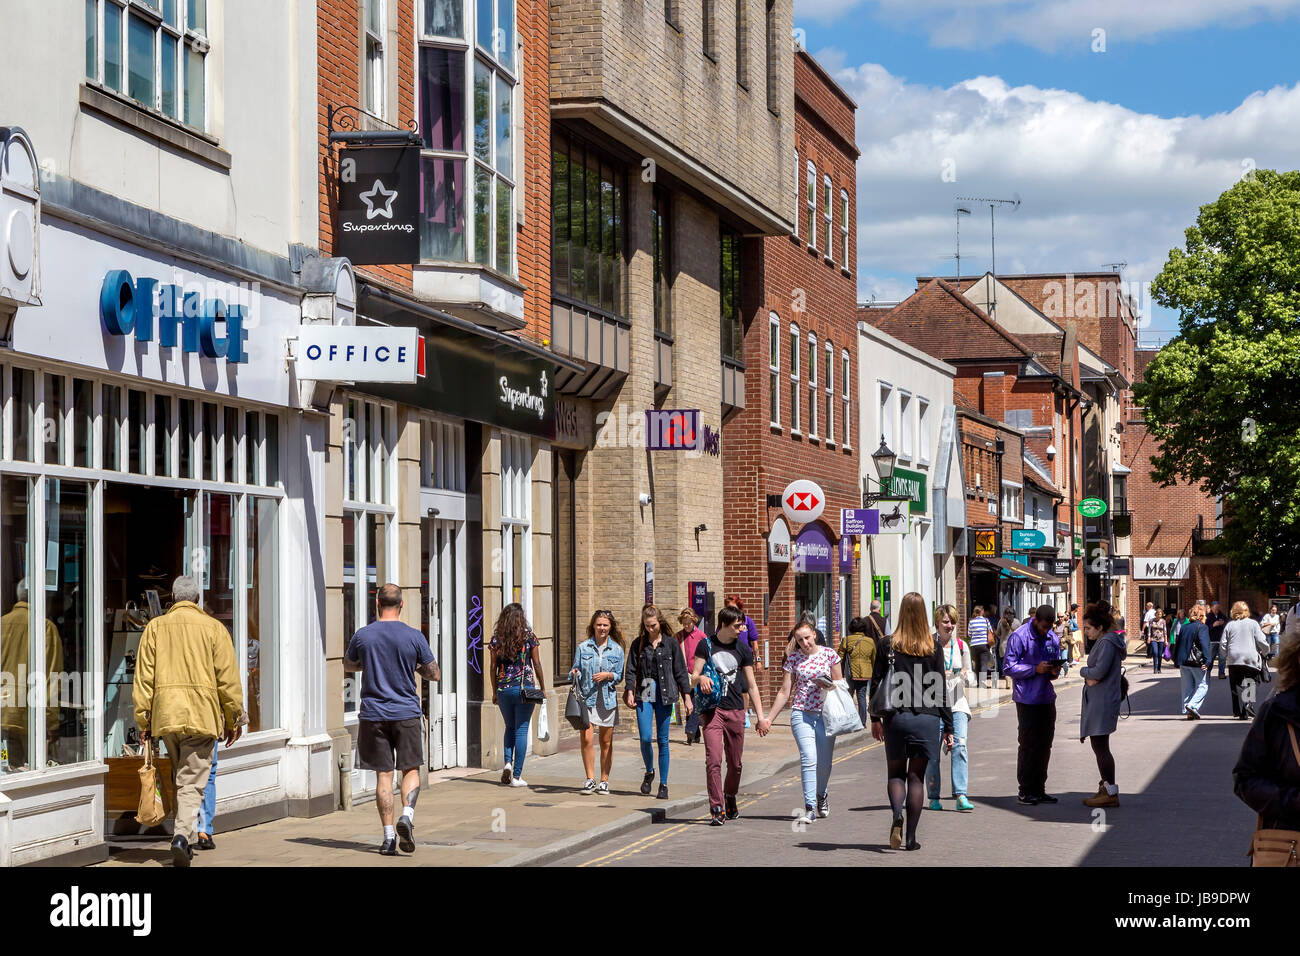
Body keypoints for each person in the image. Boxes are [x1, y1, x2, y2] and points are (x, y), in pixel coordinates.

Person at [133, 576, 246, 867]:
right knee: (191, 782)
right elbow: (228, 681)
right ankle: (182, 837)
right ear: (197, 599)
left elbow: (143, 679)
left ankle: (187, 838)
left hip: (166, 715)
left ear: (172, 596)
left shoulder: (154, 628)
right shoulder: (214, 629)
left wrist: (143, 720)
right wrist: (235, 718)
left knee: (180, 777)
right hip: (201, 715)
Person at [344, 584, 439, 856]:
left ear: (377, 604)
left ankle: (387, 839)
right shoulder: (413, 636)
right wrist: (414, 667)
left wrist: (369, 663)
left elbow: (349, 665)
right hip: (406, 713)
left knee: (383, 776)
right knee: (410, 769)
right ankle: (407, 816)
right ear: (401, 605)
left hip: (373, 715)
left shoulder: (363, 636)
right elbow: (434, 673)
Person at [870, 592, 954, 850]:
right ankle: (911, 838)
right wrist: (949, 727)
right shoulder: (934, 647)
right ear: (924, 616)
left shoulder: (887, 645)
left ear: (901, 613)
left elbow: (876, 683)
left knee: (896, 774)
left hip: (896, 718)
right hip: (927, 719)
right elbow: (940, 688)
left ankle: (897, 813)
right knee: (916, 778)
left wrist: (875, 719)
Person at [691, 605, 767, 826]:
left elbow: (752, 686)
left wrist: (761, 717)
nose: (741, 629)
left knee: (735, 764)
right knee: (713, 760)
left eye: (742, 625)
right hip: (713, 710)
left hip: (736, 710)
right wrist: (701, 679)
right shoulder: (705, 645)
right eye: (737, 625)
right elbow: (693, 677)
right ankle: (716, 807)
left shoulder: (743, 649)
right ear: (724, 624)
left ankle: (730, 795)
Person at [761, 622, 842, 824]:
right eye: (800, 639)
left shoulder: (829, 654)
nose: (804, 642)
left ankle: (821, 794)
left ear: (814, 635)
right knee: (808, 759)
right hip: (801, 714)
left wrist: (829, 685)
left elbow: (841, 685)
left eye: (807, 637)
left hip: (826, 715)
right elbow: (784, 691)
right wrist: (769, 718)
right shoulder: (794, 658)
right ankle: (809, 808)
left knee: (824, 763)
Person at [1232, 626, 1300, 841]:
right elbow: (1246, 778)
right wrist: (1293, 801)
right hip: (1290, 843)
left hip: (1241, 662)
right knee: (1246, 690)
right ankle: (1245, 706)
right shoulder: (1278, 712)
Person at [625, 604, 692, 800]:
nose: (650, 629)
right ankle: (649, 771)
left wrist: (687, 697)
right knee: (646, 737)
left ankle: (663, 784)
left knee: (663, 740)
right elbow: (630, 669)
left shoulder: (670, 644)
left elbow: (680, 672)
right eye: (647, 626)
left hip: (666, 693)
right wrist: (630, 691)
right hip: (646, 688)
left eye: (653, 625)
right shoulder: (639, 643)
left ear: (660, 623)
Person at [1001, 605, 1064, 806]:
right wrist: (1034, 669)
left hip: (1046, 697)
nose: (1046, 631)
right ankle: (1025, 791)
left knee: (1045, 745)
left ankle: (1039, 789)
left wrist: (1055, 671)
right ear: (1035, 619)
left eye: (1049, 627)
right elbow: (1008, 667)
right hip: (1027, 699)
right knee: (1028, 745)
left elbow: (1057, 668)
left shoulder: (1052, 638)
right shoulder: (1019, 637)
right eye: (1044, 626)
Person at [0, 581, 62, 772]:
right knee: (32, 775)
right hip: (30, 717)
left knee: (8, 772)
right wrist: (51, 722)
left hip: (3, 712)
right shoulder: (45, 627)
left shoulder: (2, 623)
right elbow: (50, 679)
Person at [489, 602, 545, 788]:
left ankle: (506, 763)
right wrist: (543, 687)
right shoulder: (529, 637)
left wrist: (494, 690)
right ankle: (517, 776)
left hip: (503, 689)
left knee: (509, 727)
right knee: (521, 730)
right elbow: (537, 664)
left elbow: (492, 667)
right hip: (524, 689)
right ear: (521, 619)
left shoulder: (497, 640)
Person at [570, 609, 626, 795]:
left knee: (605, 742)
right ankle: (589, 779)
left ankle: (604, 780)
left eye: (605, 625)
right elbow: (574, 669)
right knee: (586, 738)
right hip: (587, 698)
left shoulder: (617, 649)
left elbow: (619, 676)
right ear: (593, 626)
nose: (602, 628)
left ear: (610, 628)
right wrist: (575, 673)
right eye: (599, 624)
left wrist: (608, 675)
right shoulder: (583, 647)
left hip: (607, 700)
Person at [1078, 601, 1127, 808]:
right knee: (1099, 745)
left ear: (1099, 627)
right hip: (1102, 699)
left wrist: (1083, 672)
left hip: (1103, 701)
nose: (1086, 632)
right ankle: (1106, 787)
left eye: (1088, 628)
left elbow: (1098, 673)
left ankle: (1110, 792)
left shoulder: (1107, 643)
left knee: (1100, 746)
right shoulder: (1107, 641)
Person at [926, 604, 974, 812]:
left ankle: (961, 795)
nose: (950, 625)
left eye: (953, 621)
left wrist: (965, 675)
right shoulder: (927, 645)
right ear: (937, 622)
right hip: (933, 705)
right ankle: (933, 796)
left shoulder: (962, 646)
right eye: (946, 621)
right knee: (932, 753)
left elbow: (972, 676)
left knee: (960, 747)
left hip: (957, 703)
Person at [1223, 602, 1269, 720]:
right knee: (1251, 681)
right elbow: (1261, 640)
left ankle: (1241, 712)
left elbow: (1223, 644)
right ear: (1246, 611)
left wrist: (1225, 655)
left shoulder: (1230, 625)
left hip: (1234, 658)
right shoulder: (1253, 624)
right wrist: (1266, 651)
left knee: (1236, 684)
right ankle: (1248, 703)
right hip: (1250, 656)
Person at [1174, 604, 1212, 719]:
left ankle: (1188, 711)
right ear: (1201, 615)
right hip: (1197, 662)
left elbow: (1178, 644)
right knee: (1203, 685)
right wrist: (1207, 661)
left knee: (1187, 687)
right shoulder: (1202, 627)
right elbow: (1205, 645)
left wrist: (1177, 660)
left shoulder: (1185, 627)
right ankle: (1192, 705)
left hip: (1184, 662)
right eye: (1205, 615)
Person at [839, 616, 878, 725]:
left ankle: (848, 719)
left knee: (848, 695)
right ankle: (862, 721)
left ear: (851, 628)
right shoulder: (870, 641)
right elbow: (874, 659)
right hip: (865, 673)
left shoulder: (846, 640)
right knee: (861, 696)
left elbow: (840, 658)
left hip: (850, 672)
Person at [676, 608, 706, 745]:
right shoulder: (677, 637)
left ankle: (690, 731)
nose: (686, 626)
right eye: (684, 623)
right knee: (689, 704)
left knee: (694, 703)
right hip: (683, 676)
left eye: (689, 623)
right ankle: (695, 734)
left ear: (694, 621)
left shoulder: (701, 636)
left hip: (698, 676)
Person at [194, 746, 218, 851]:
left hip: (176, 731)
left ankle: (183, 833)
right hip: (206, 732)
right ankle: (203, 831)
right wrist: (232, 728)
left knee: (182, 775)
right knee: (208, 773)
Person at [966, 604, 994, 688]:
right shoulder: (986, 620)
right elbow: (990, 631)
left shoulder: (971, 621)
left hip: (974, 645)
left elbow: (969, 634)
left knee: (977, 664)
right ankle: (982, 683)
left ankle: (979, 683)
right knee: (983, 664)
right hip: (984, 644)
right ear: (982, 612)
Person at [1207, 601, 1228, 679]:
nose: (1217, 610)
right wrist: (1213, 625)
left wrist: (1223, 623)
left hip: (1221, 639)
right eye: (1215, 609)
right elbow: (1205, 628)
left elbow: (1227, 622)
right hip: (1212, 640)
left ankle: (1221, 673)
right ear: (1212, 608)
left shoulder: (1221, 615)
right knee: (1210, 658)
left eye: (1218, 609)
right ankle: (1207, 673)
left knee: (1222, 658)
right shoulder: (1208, 616)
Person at [1148, 608, 1167, 674]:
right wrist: (1149, 637)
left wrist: (1166, 640)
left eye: (1160, 614)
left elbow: (1165, 631)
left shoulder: (1163, 621)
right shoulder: (1151, 621)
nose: (1159, 615)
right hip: (1153, 639)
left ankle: (1159, 668)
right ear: (1155, 614)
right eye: (1158, 614)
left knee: (1159, 654)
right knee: (1155, 653)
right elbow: (1149, 629)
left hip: (1161, 639)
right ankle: (1155, 668)